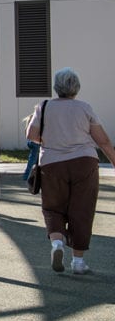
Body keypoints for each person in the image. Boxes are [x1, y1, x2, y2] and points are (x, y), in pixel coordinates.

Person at [26, 67, 115, 275]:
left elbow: (31, 134)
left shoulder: (44, 106)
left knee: (52, 207)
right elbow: (103, 141)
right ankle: (78, 262)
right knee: (82, 210)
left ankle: (57, 244)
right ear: (76, 88)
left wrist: (50, 140)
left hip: (52, 164)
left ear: (56, 87)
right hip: (84, 162)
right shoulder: (84, 107)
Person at [22, 113, 40, 181]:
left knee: (33, 159)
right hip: (35, 142)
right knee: (34, 159)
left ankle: (28, 175)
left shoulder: (30, 121)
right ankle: (28, 176)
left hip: (31, 142)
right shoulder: (36, 120)